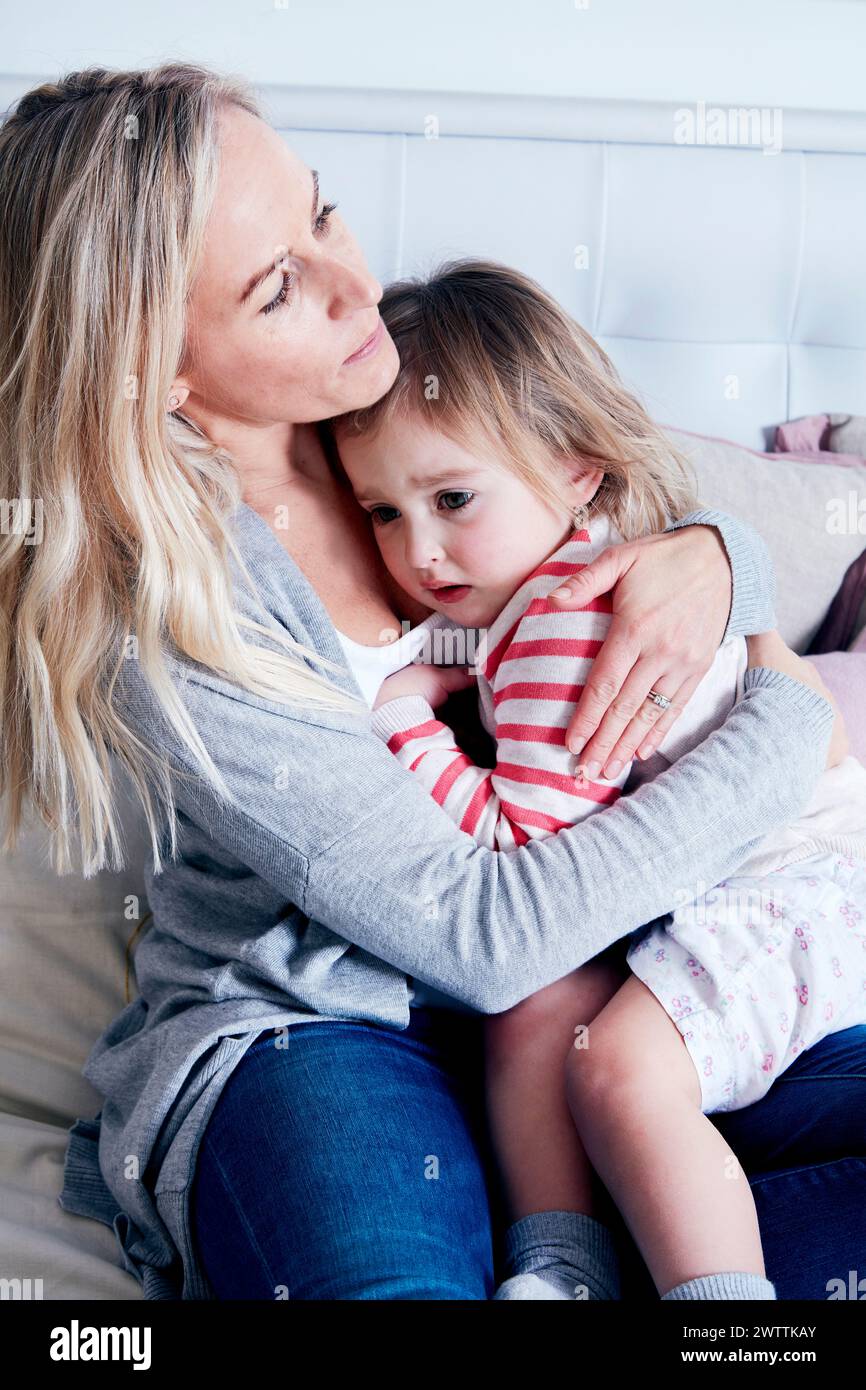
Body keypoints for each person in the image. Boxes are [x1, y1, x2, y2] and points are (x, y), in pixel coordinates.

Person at [0, 63, 850, 1301]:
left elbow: (610, 477)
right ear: (157, 369)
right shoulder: (175, 603)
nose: (357, 287)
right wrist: (783, 727)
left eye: (323, 212)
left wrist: (720, 563)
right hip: (326, 1028)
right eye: (279, 285)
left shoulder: (404, 394)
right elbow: (479, 936)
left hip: (621, 999)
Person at [330, 257, 866, 1301]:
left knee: (619, 1068)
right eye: (382, 512)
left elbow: (517, 845)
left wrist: (405, 721)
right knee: (536, 1004)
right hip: (720, 884)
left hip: (803, 882)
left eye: (450, 497)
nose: (420, 550)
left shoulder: (560, 627)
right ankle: (564, 1266)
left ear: (577, 469)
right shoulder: (549, 588)